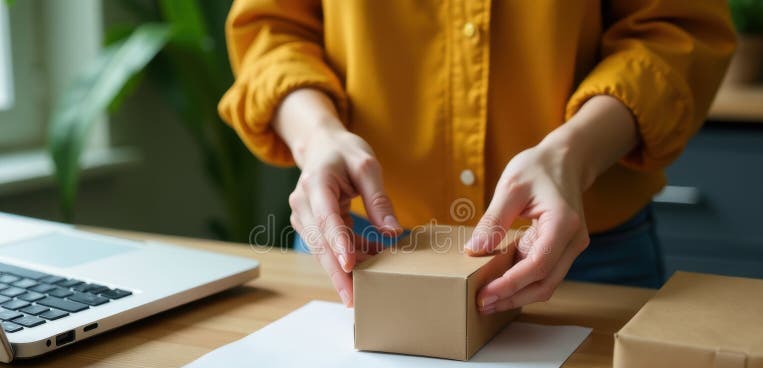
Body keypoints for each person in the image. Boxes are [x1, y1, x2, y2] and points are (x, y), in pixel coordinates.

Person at [219, 1, 735, 314]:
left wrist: (572, 154)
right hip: (355, 248)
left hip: (578, 254)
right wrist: (316, 137)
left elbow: (675, 30)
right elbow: (274, 29)